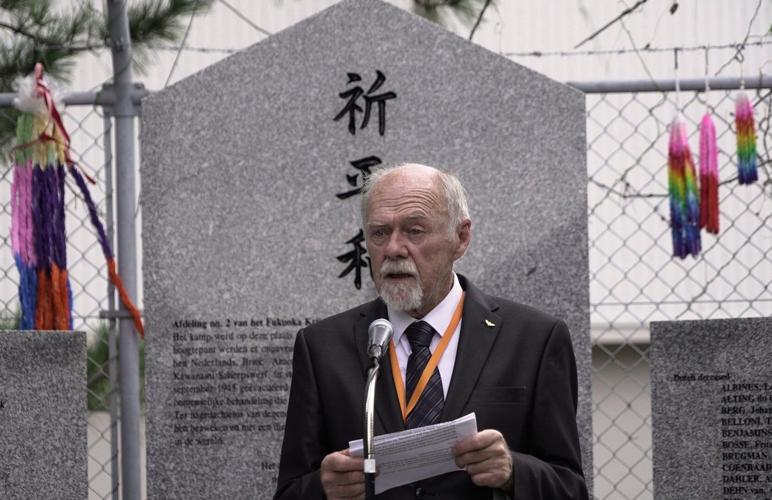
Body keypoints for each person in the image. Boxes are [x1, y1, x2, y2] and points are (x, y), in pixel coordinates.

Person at [274, 163, 588, 499]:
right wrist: (323, 488)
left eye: (415, 231)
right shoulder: (322, 346)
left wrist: (514, 472)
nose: (393, 249)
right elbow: (291, 490)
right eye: (379, 232)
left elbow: (570, 487)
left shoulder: (534, 339)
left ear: (461, 238)